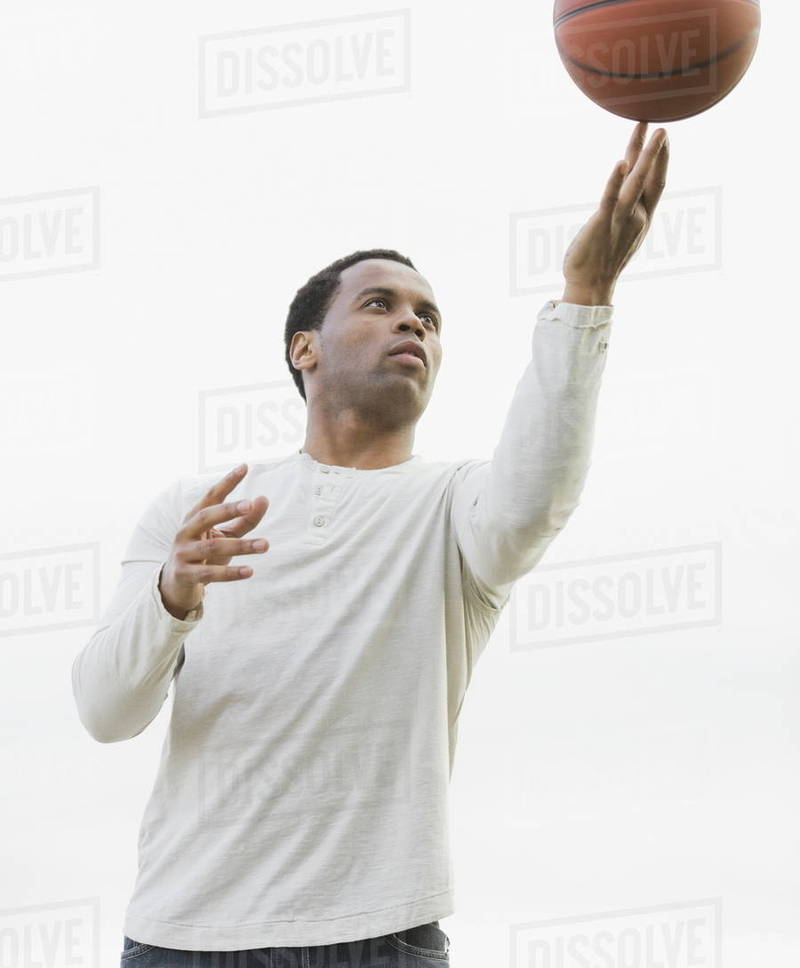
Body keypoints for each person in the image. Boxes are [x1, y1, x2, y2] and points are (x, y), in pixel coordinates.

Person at [72, 123, 669, 967]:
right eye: (380, 304)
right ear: (303, 349)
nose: (413, 326)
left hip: (380, 937)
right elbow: (105, 711)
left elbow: (537, 497)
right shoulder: (197, 510)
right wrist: (171, 595)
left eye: (429, 316)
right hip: (183, 936)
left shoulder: (457, 507)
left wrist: (588, 289)